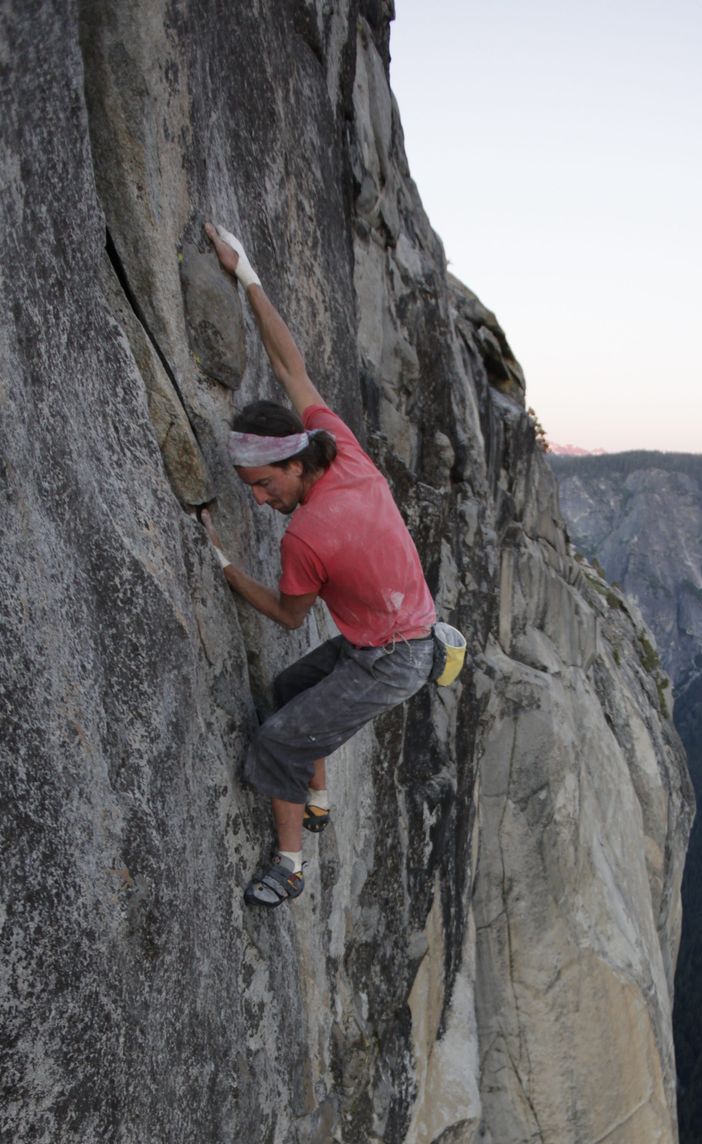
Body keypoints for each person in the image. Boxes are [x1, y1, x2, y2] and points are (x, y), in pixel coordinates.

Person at [200, 222, 437, 906]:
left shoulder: (306, 536)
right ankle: (322, 796)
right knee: (289, 690)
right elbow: (290, 367)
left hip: (391, 657)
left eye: (266, 486)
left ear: (295, 464)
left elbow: (284, 613)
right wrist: (247, 274)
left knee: (276, 741)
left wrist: (223, 569)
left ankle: (290, 866)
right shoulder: (340, 448)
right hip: (396, 634)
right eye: (252, 491)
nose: (263, 500)